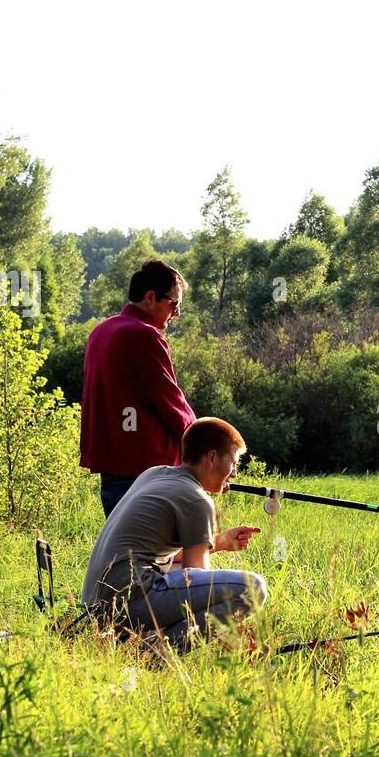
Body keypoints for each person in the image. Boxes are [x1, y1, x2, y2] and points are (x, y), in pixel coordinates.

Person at [81, 417, 267, 654]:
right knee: (253, 588)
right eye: (233, 463)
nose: (234, 474)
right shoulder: (197, 498)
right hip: (123, 603)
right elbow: (197, 578)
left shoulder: (154, 474)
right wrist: (228, 634)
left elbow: (156, 555)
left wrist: (218, 542)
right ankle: (155, 653)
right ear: (211, 457)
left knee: (183, 576)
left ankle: (143, 643)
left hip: (95, 601)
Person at [80, 259, 196, 517]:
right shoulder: (144, 335)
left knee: (124, 548)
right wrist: (203, 441)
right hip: (146, 467)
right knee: (151, 551)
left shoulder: (100, 331)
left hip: (112, 464)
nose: (176, 313)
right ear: (150, 297)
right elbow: (171, 402)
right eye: (174, 303)